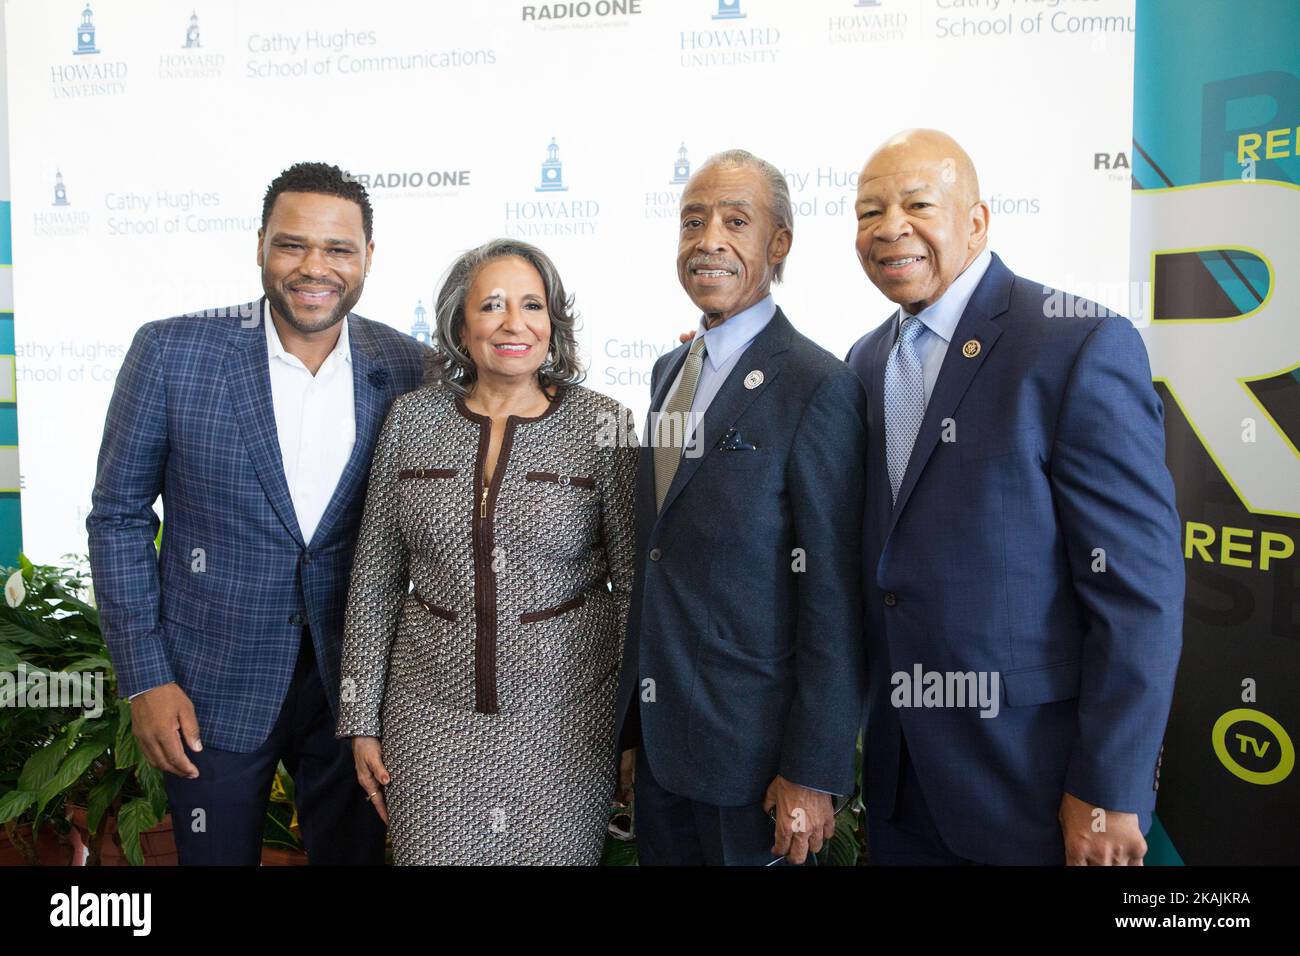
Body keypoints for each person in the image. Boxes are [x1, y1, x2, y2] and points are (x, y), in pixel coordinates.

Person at [844, 129, 1184, 866]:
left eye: (917, 203)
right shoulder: (866, 359)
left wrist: (1109, 786)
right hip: (901, 787)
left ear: (977, 222)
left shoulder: (1077, 343)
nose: (889, 227)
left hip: (1032, 787)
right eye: (869, 211)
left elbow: (1138, 592)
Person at [87, 162, 428, 864]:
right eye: (291, 244)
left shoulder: (409, 366)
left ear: (369, 257)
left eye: (338, 249)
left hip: (357, 693)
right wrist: (146, 677)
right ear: (260, 247)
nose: (314, 267)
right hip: (208, 687)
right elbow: (118, 516)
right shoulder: (172, 353)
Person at [336, 238, 637, 865]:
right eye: (492, 306)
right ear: (459, 324)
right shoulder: (411, 420)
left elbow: (635, 585)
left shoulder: (603, 423)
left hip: (567, 726)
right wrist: (361, 716)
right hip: (429, 724)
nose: (513, 323)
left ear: (553, 322)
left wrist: (633, 729)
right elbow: (374, 579)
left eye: (532, 305)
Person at [613, 149, 868, 866]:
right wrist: (634, 724)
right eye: (692, 221)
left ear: (777, 244)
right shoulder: (670, 371)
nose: (708, 240)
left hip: (755, 766)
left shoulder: (818, 385)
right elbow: (659, 555)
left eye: (735, 220)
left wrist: (815, 771)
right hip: (666, 753)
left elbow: (833, 596)